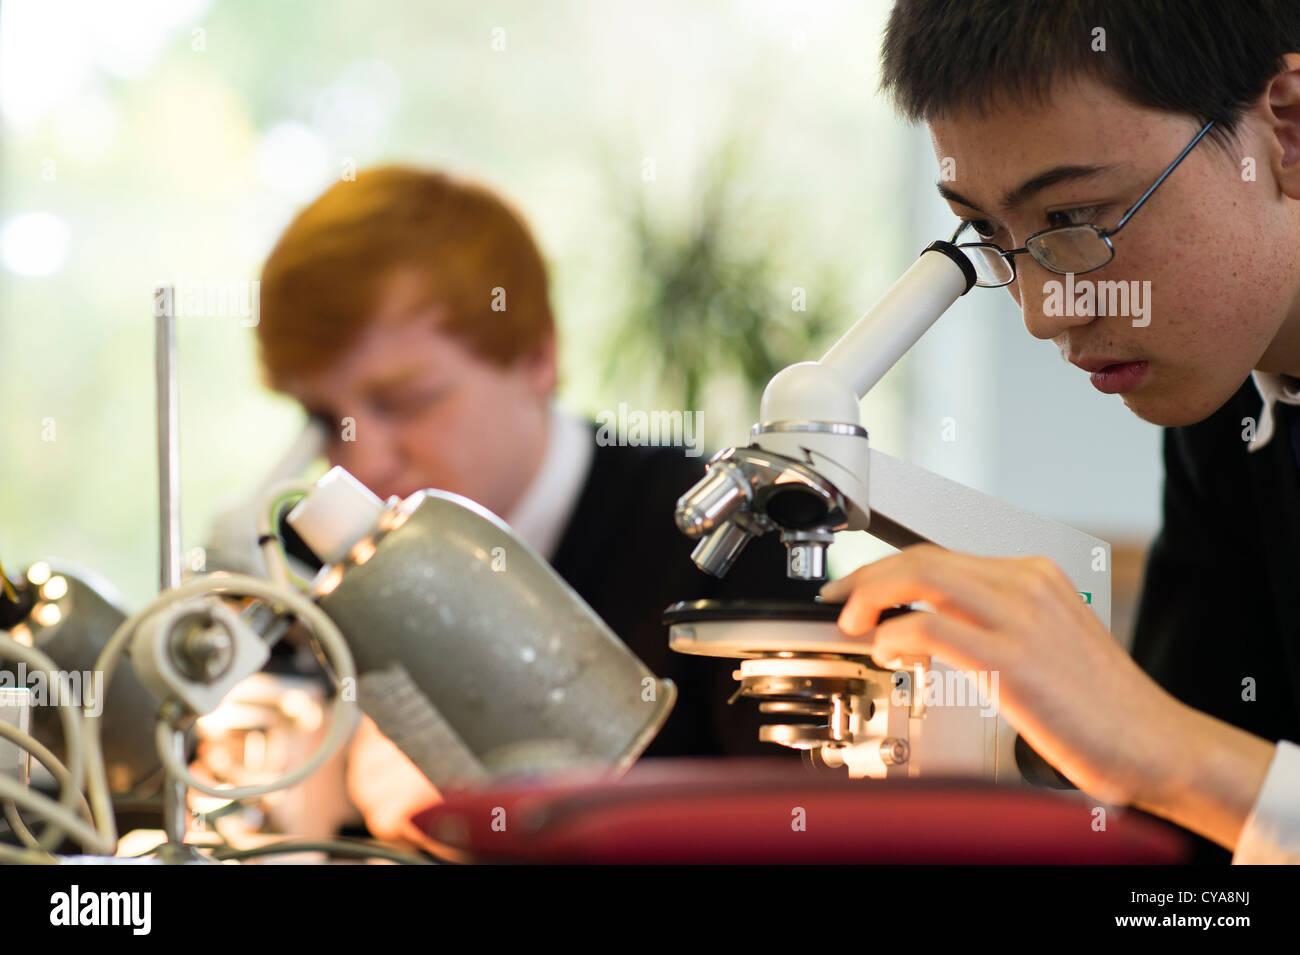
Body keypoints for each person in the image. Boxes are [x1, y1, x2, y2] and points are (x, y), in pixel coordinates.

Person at [820, 0, 1300, 863]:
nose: (1045, 311)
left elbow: (1184, 759)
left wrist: (1164, 749)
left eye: (1076, 221)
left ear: (1287, 129)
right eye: (992, 233)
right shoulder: (1228, 405)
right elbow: (1192, 851)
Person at [245, 166, 820, 844]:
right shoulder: (313, 573)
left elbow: (795, 830)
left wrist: (511, 810)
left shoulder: (719, 537)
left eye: (402, 402)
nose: (361, 459)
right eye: (322, 415)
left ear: (536, 357)